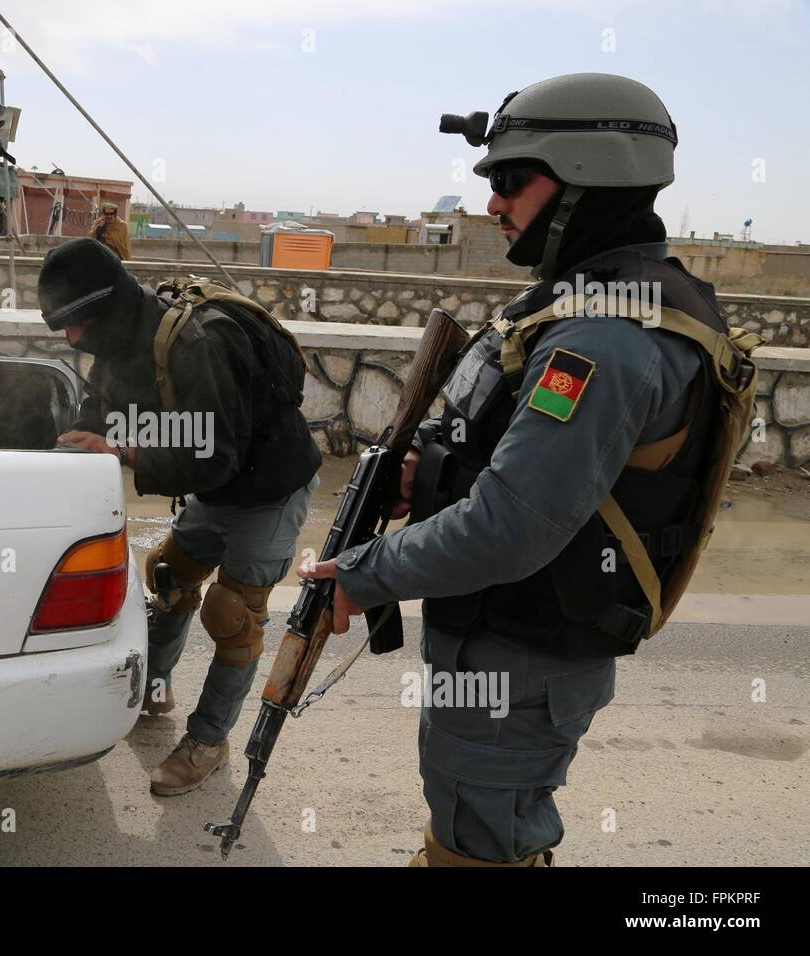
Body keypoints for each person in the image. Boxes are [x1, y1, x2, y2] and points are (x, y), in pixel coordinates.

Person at [302, 73, 752, 865]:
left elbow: (511, 527)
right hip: (507, 643)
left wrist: (360, 574)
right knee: (475, 839)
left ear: (588, 177)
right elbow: (527, 469)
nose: (493, 203)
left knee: (483, 849)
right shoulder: (584, 304)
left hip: (520, 658)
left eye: (511, 179)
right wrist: (429, 478)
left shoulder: (605, 336)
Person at [38, 237, 320, 795]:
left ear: (109, 306)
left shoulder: (196, 345)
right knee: (168, 581)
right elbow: (104, 404)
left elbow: (214, 455)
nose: (72, 338)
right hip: (213, 490)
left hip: (268, 490)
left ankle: (208, 741)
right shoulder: (118, 340)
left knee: (233, 617)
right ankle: (155, 689)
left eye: (77, 324)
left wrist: (119, 453)